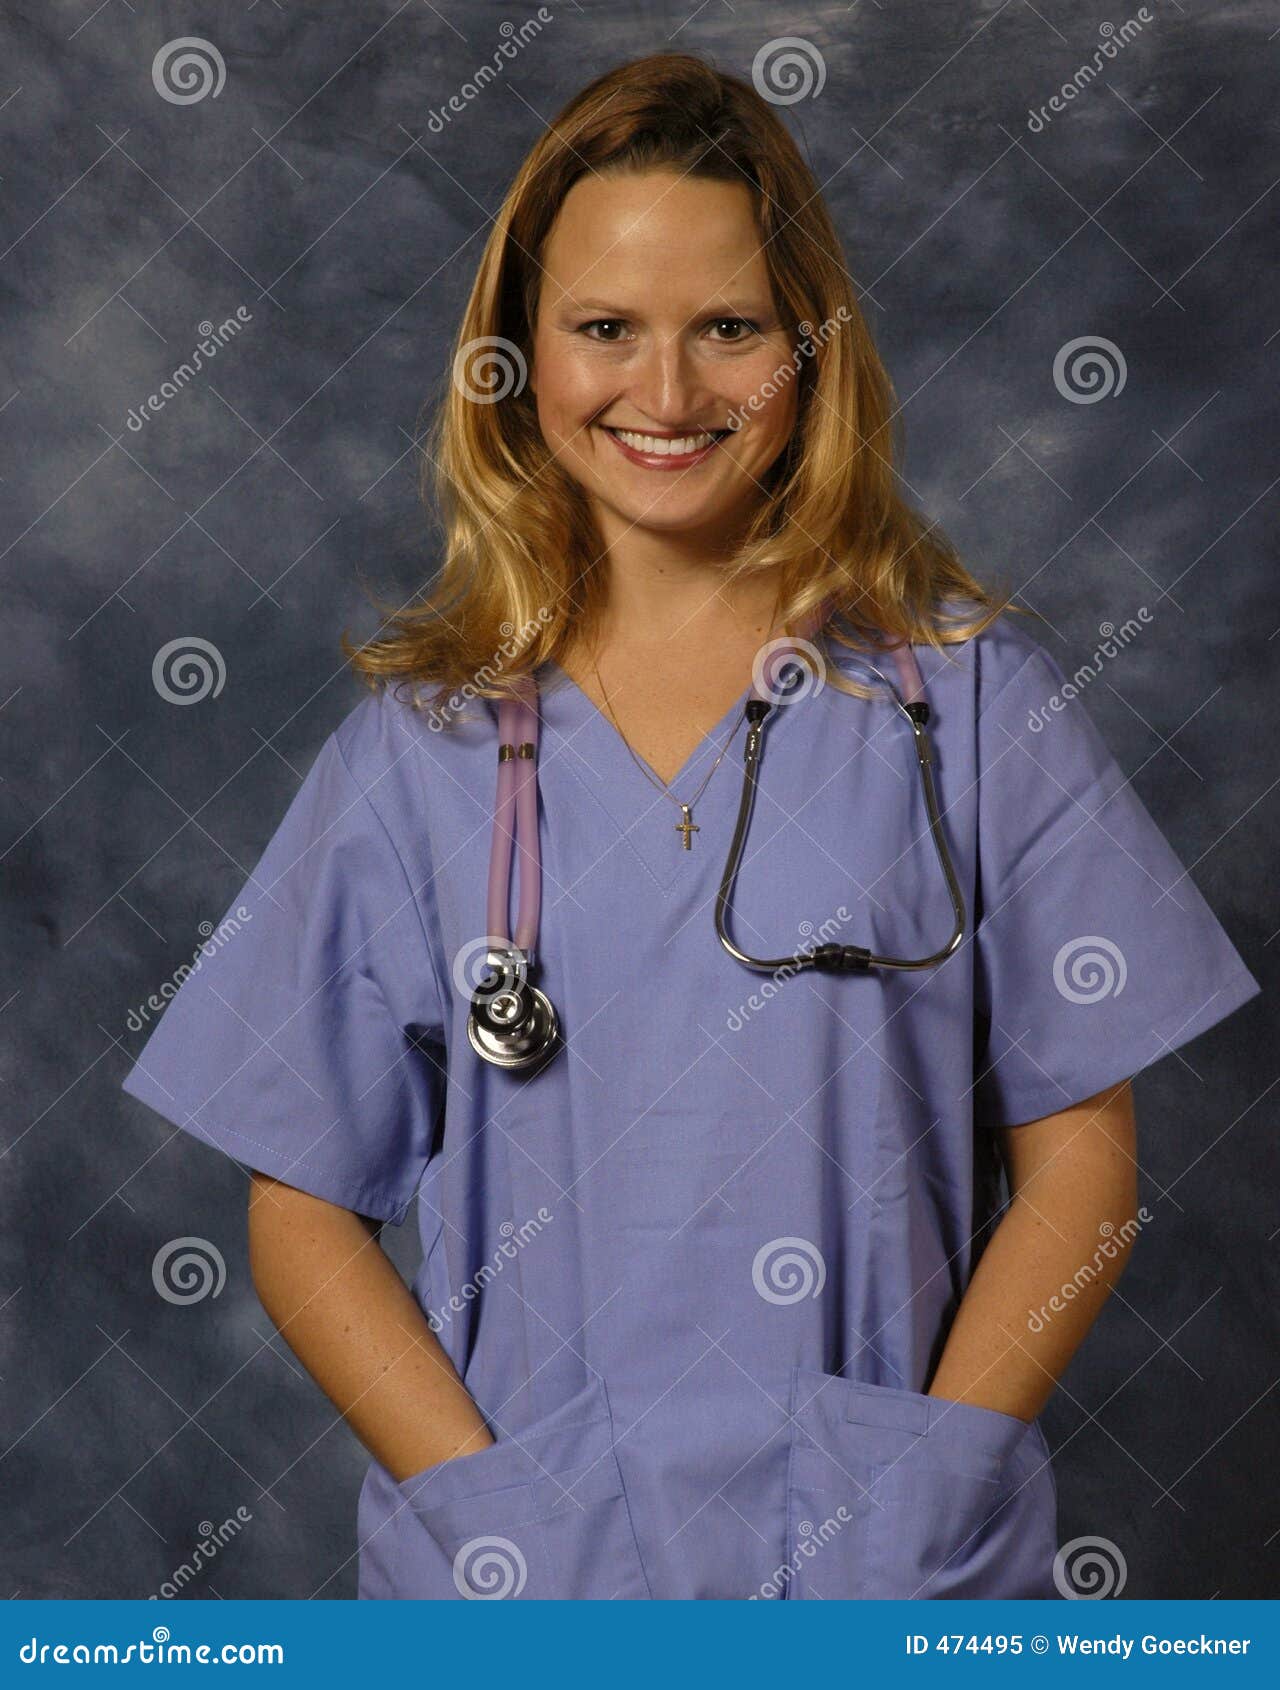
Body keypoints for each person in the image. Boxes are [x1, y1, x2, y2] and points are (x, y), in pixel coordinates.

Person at [120, 51, 1260, 1601]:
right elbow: (299, 1213)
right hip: (526, 1594)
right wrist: (491, 1515)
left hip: (894, 1578)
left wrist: (928, 1485)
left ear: (810, 349)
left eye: (727, 329)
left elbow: (1084, 1172)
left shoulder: (970, 704)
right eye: (605, 329)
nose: (665, 394)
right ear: (520, 356)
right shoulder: (426, 750)